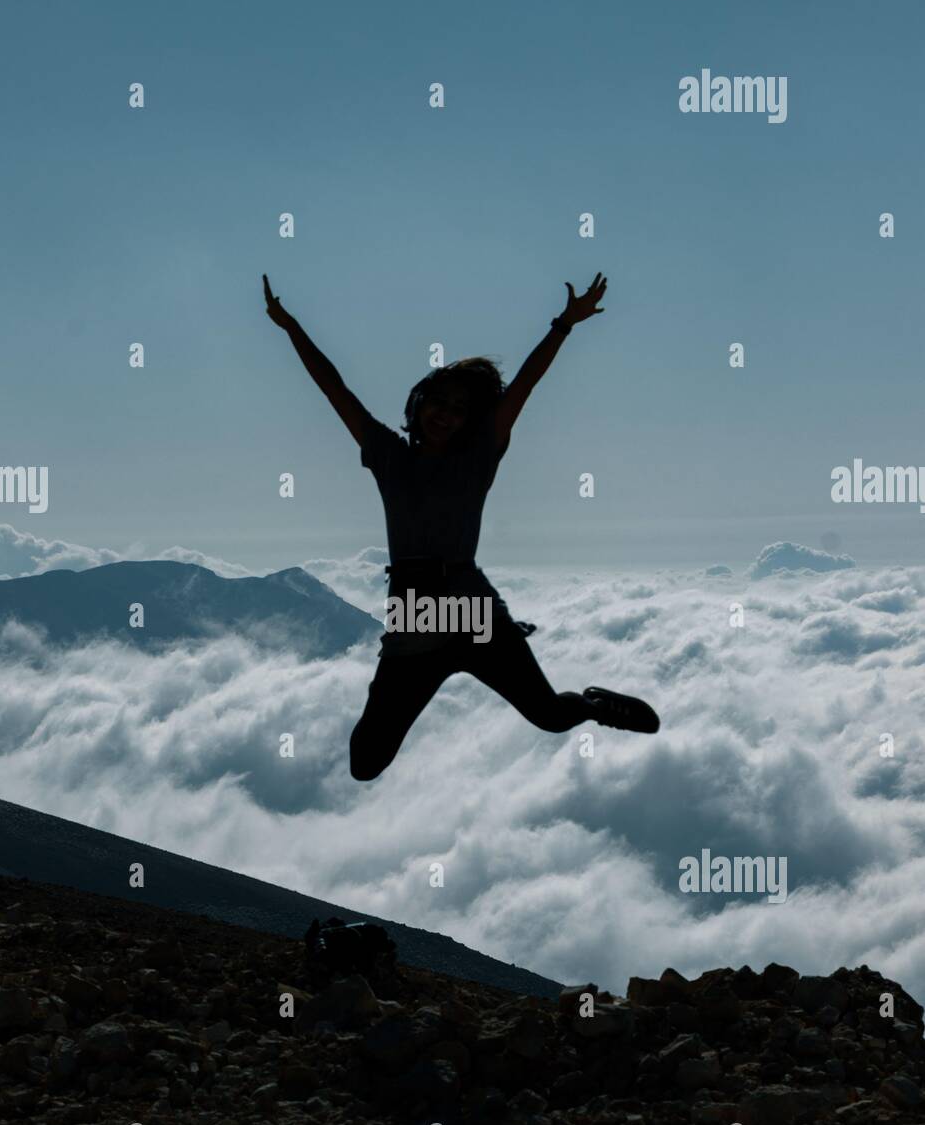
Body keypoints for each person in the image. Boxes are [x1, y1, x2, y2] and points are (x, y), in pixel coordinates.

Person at [262, 271, 660, 780]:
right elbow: (332, 386)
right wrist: (289, 326)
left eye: (459, 409)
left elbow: (526, 385)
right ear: (418, 402)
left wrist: (565, 324)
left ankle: (596, 704)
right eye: (439, 402)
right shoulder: (387, 453)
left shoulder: (480, 455)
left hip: (472, 609)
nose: (446, 415)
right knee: (365, 762)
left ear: (472, 421)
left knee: (551, 716)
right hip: (416, 615)